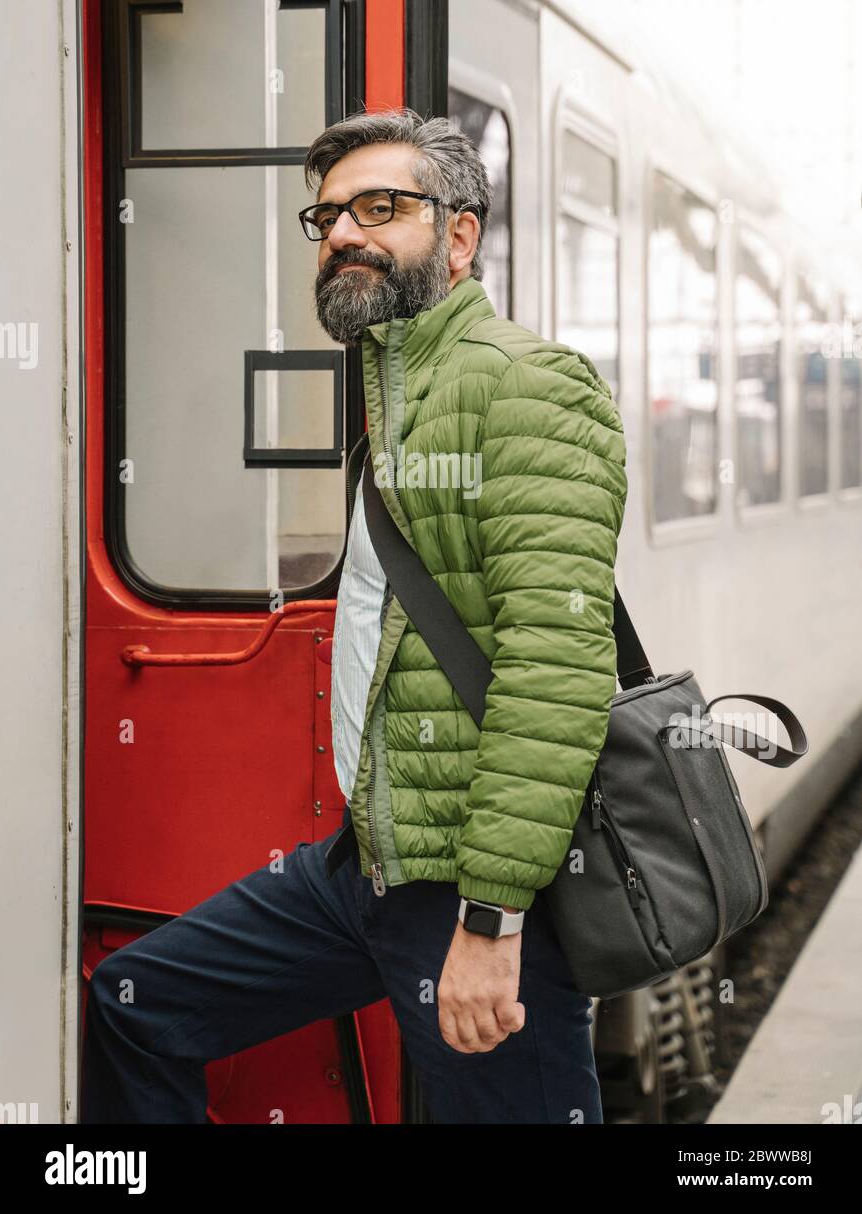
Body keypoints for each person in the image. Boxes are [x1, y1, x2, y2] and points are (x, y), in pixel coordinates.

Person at [80, 108, 627, 1124]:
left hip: (472, 888)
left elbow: (554, 675)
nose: (342, 233)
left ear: (459, 235)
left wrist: (491, 922)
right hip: (366, 870)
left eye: (382, 206)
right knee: (134, 999)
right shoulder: (397, 390)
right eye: (327, 214)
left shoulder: (525, 389)